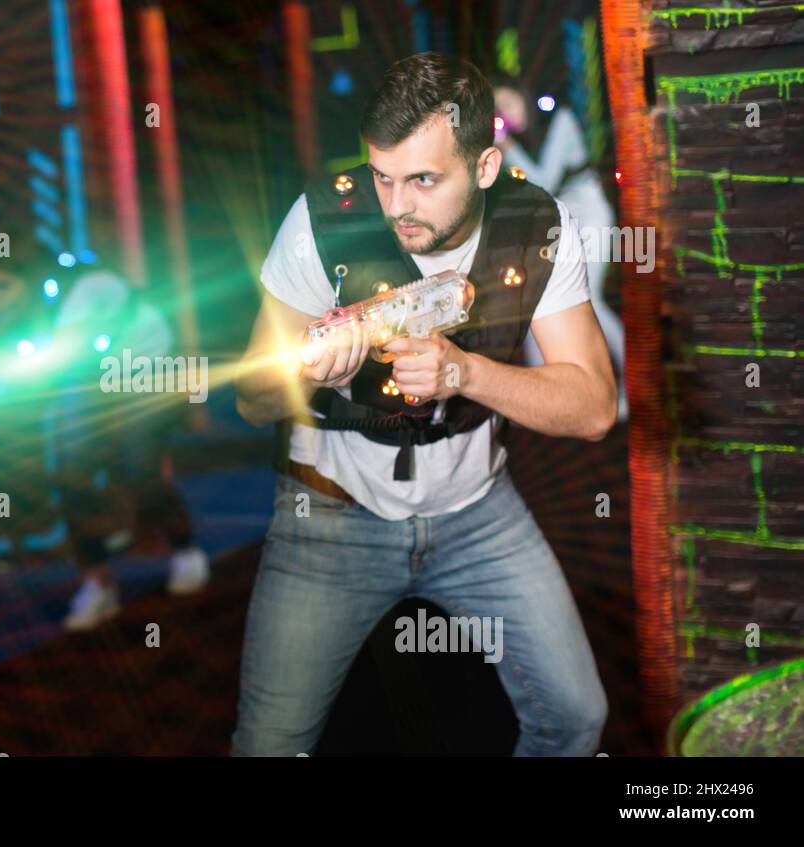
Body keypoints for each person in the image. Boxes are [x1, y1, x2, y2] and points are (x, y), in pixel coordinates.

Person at [233, 52, 614, 756]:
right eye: (383, 176)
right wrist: (309, 365)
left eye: (423, 180)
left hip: (478, 511)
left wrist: (464, 372)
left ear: (487, 168)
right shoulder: (324, 218)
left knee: (575, 717)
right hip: (331, 514)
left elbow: (593, 405)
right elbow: (252, 398)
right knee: (269, 745)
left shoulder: (536, 223)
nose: (396, 205)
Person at [0, 246, 209, 631]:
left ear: (30, 281)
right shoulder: (27, 312)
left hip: (148, 373)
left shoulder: (86, 290)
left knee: (139, 470)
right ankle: (98, 582)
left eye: (2, 287)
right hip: (93, 379)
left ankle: (184, 549)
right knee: (69, 472)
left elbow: (51, 364)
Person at [493, 81, 627, 420]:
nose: (506, 113)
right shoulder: (517, 139)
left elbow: (543, 179)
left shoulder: (560, 119)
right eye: (499, 109)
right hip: (562, 222)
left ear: (523, 93)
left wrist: (508, 147)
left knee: (590, 298)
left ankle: (636, 381)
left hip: (590, 213)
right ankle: (545, 394)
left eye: (509, 101)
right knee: (539, 299)